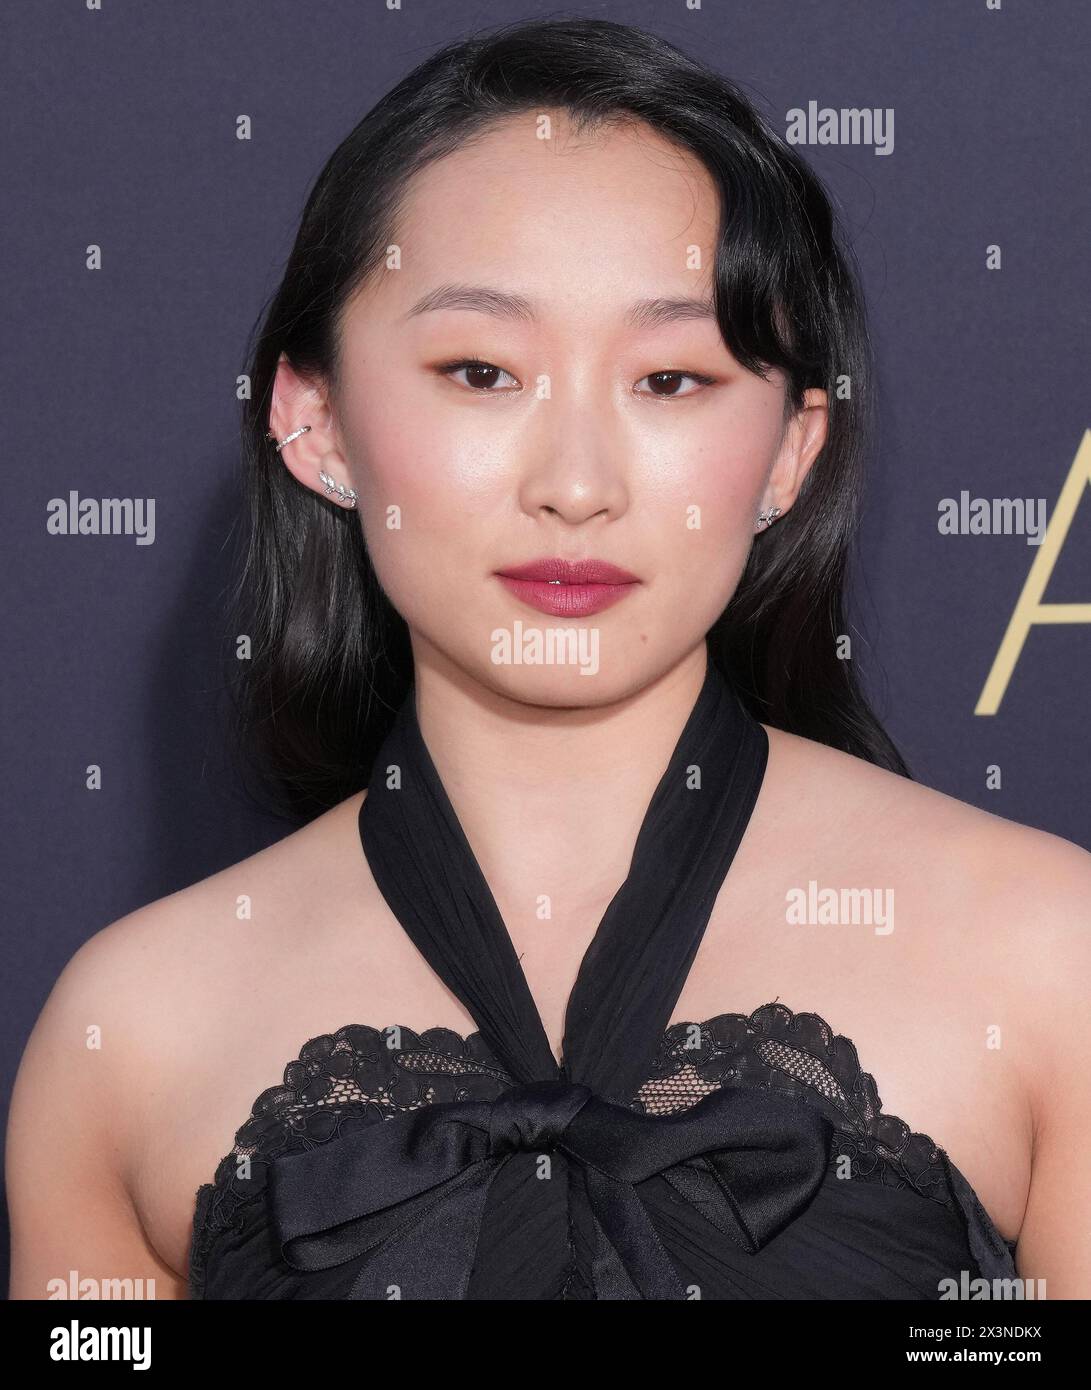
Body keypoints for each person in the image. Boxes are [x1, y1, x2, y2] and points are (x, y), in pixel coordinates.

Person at [8, 17, 1090, 1301]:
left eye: (672, 380)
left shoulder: (1040, 955)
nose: (575, 485)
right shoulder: (127, 1031)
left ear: (792, 450)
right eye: (480, 369)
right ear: (314, 421)